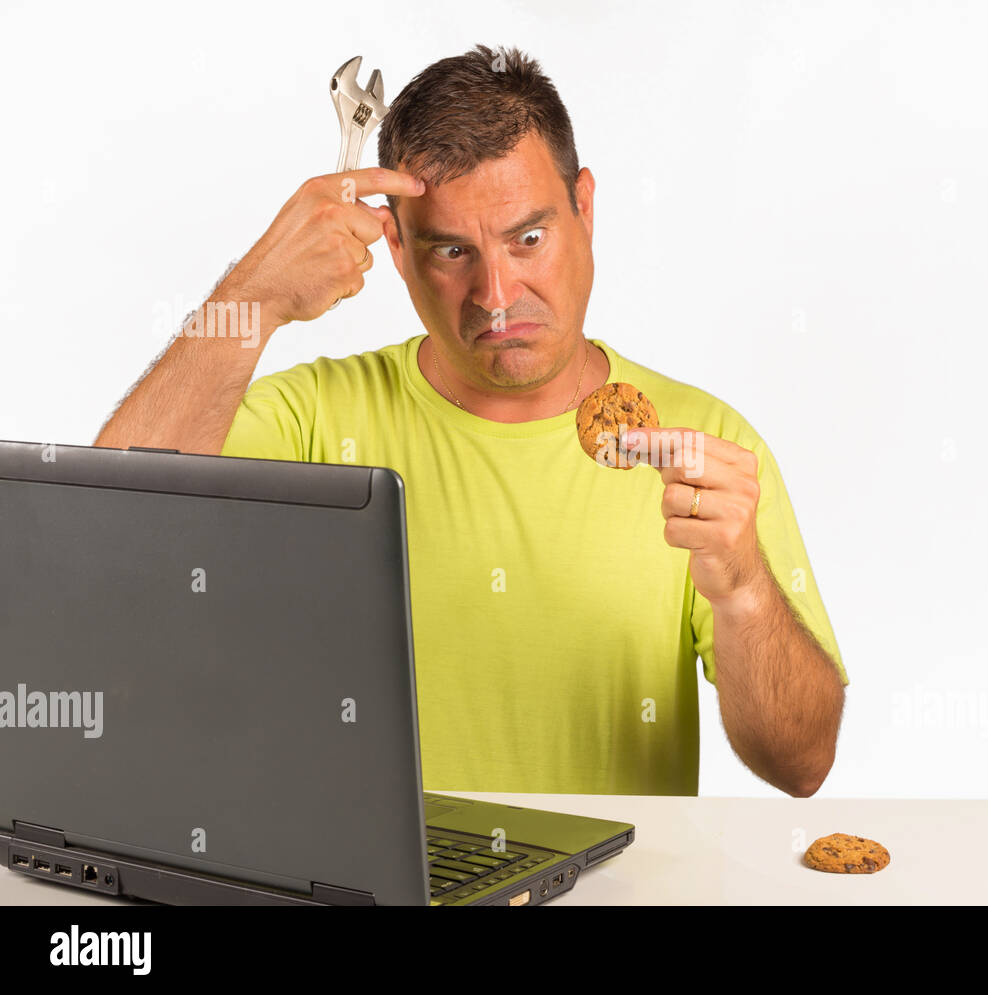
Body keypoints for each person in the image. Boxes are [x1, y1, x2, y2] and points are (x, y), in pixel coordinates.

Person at [95, 44, 847, 796]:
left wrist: (745, 589)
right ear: (394, 244)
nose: (494, 294)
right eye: (453, 249)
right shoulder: (316, 423)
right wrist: (253, 297)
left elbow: (802, 762)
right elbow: (113, 544)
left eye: (528, 238)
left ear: (585, 207)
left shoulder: (704, 450)